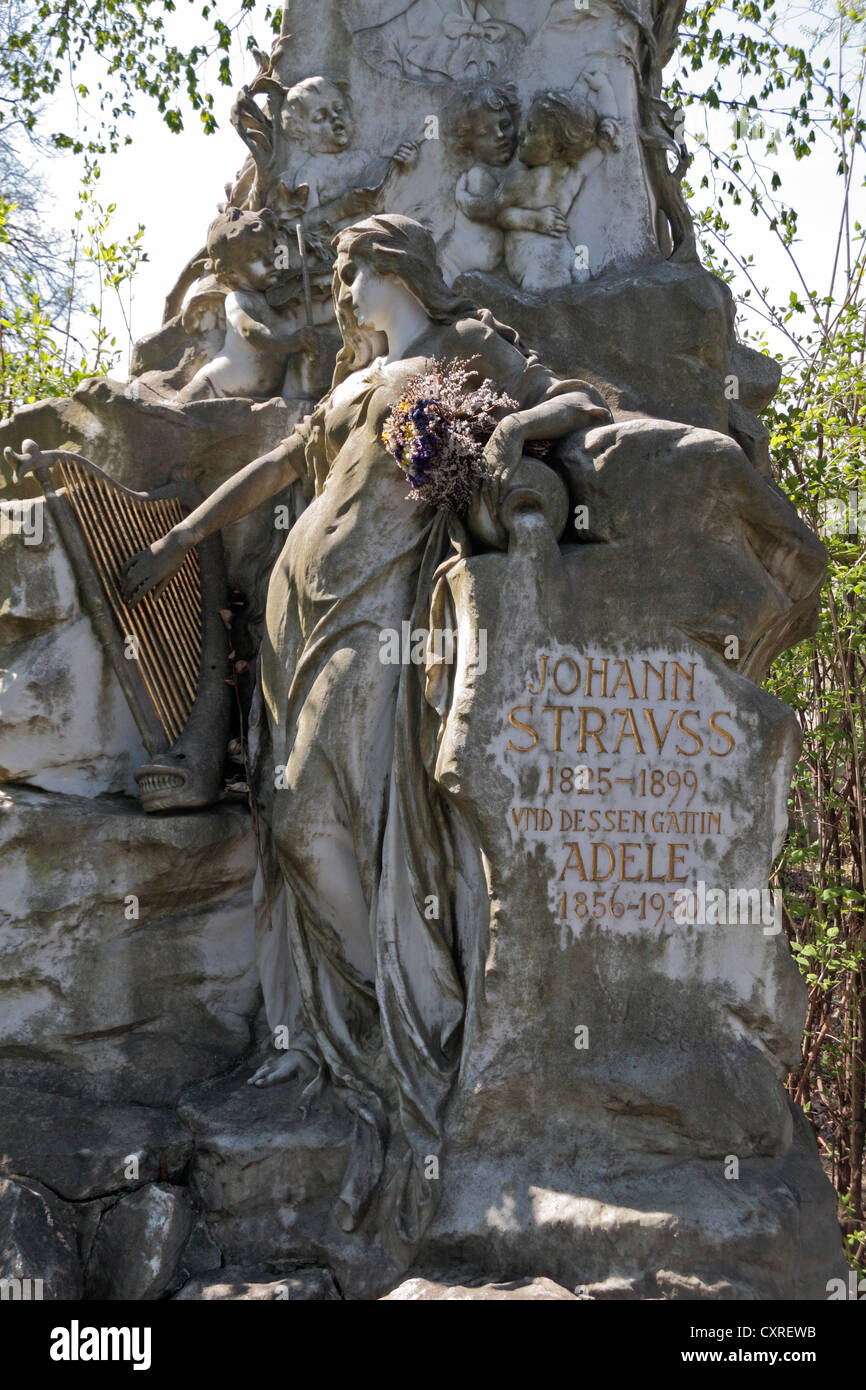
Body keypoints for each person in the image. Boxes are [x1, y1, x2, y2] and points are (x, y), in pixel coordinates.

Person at [121, 213, 610, 1245]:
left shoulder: (461, 348)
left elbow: (576, 399)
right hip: (299, 610)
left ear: (391, 265)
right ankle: (340, 1038)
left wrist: (515, 433)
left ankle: (401, 1036)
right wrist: (179, 534)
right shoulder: (350, 385)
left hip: (376, 610)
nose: (338, 288)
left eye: (348, 268)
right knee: (291, 813)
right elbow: (278, 471)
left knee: (305, 813)